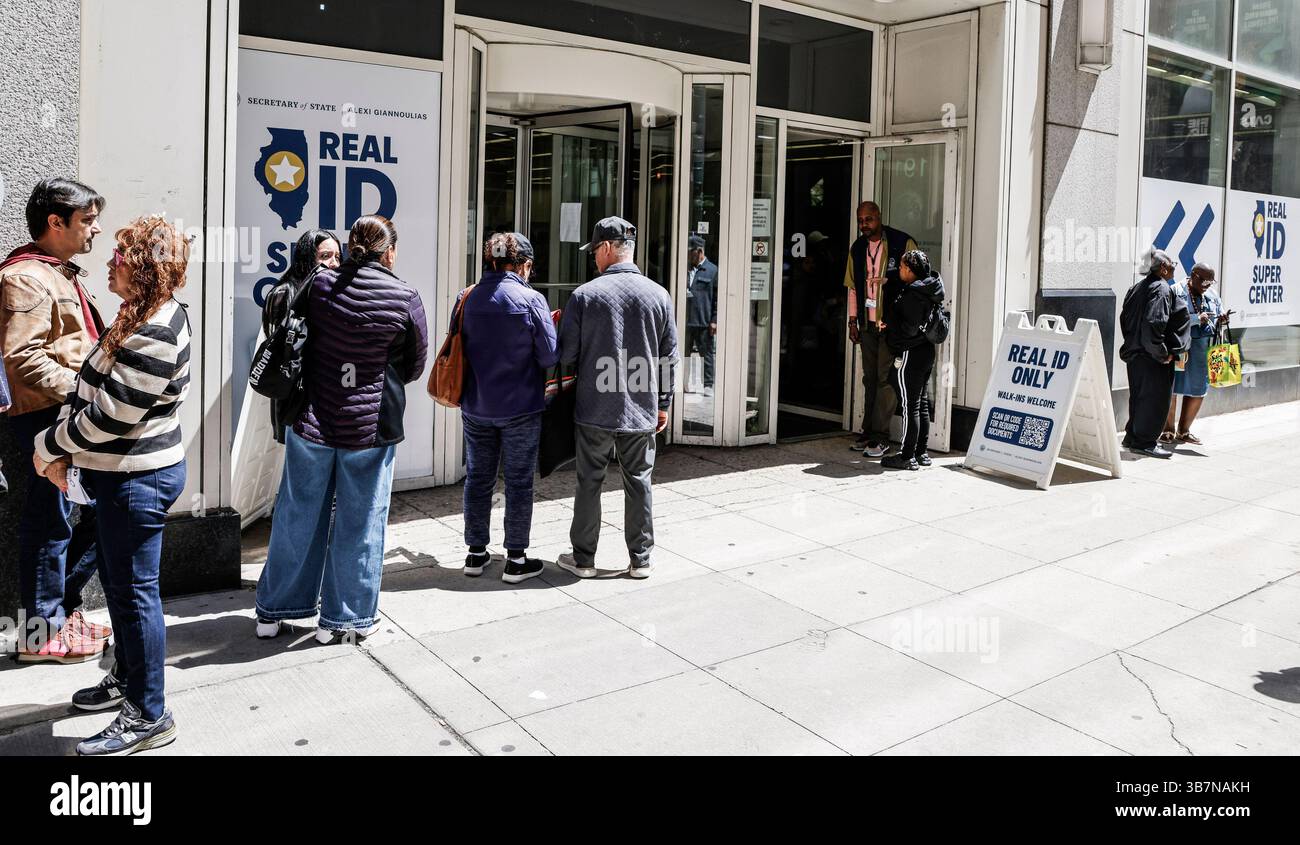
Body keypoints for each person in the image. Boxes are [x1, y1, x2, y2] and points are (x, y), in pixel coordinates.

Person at [34, 215, 192, 755]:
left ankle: (149, 714)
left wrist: (48, 447)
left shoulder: (156, 329)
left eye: (119, 256)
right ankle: (128, 683)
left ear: (142, 267)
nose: (108, 263)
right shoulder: (138, 314)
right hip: (118, 478)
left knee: (133, 599)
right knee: (127, 596)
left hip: (136, 482)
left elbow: (109, 417)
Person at [255, 215, 428, 643]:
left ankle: (274, 612)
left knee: (297, 516)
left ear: (351, 248)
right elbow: (414, 364)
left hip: (312, 419)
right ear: (390, 252)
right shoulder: (405, 296)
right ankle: (346, 619)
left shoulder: (319, 285)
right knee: (362, 522)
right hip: (369, 428)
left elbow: (294, 340)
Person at [0, 178, 109, 663]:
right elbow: (21, 358)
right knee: (50, 522)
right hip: (49, 417)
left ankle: (57, 614)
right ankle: (40, 635)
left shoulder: (60, 273)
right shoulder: (26, 276)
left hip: (70, 414)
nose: (96, 229)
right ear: (54, 222)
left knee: (94, 515)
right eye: (87, 220)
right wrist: (86, 391)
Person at [556, 217, 677, 580]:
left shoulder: (584, 296)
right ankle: (640, 559)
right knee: (639, 481)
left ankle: (584, 560)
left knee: (588, 482)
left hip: (594, 406)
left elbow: (567, 356)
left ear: (608, 248)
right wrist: (664, 403)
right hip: (641, 408)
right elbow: (669, 356)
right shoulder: (659, 295)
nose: (593, 258)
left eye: (595, 250)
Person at [458, 232, 559, 584]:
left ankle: (475, 552)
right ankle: (516, 558)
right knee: (518, 482)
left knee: (478, 479)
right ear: (525, 265)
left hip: (476, 404)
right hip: (521, 406)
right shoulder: (532, 300)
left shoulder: (466, 297)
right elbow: (548, 356)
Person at [845, 201, 916, 457]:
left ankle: (881, 437)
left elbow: (916, 281)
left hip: (891, 326)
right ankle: (868, 432)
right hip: (867, 323)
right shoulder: (858, 247)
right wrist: (853, 321)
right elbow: (853, 286)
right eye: (860, 220)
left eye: (869, 219)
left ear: (879, 217)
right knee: (870, 378)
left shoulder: (902, 242)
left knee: (886, 379)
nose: (864, 225)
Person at [260, 229, 342, 443]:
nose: (333, 263)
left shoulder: (329, 294)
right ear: (307, 257)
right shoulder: (284, 292)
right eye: (325, 256)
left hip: (323, 403)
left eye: (337, 256)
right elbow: (281, 354)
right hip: (295, 402)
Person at [880, 250, 945, 471]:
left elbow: (908, 329)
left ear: (910, 270)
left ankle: (907, 456)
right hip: (926, 352)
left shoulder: (913, 295)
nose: (899, 269)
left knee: (910, 406)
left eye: (901, 266)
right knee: (922, 404)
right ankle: (921, 452)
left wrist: (889, 325)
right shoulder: (929, 289)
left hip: (911, 353)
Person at [1120, 249, 1189, 459]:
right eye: (1172, 264)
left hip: (1135, 354)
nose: (1175, 268)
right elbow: (1154, 323)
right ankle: (1145, 442)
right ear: (1164, 267)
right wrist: (1162, 353)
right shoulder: (1160, 288)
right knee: (1154, 400)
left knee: (1139, 398)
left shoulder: (1137, 287)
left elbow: (1126, 319)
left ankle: (1132, 436)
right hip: (1151, 357)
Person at [1163, 262, 1230, 446]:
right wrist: (1195, 319)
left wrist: (1222, 318)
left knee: (1198, 389)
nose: (1206, 286)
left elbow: (1218, 312)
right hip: (1181, 346)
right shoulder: (1175, 290)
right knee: (1173, 388)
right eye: (1203, 281)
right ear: (1193, 275)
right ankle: (1167, 430)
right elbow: (1169, 320)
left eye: (1210, 282)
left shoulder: (1212, 293)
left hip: (1202, 348)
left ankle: (1184, 431)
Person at [683, 235, 718, 393]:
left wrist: (714, 320)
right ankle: (683, 383)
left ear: (699, 251)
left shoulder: (712, 270)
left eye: (691, 252)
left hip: (703, 321)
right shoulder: (686, 268)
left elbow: (717, 299)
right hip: (686, 319)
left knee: (707, 353)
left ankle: (708, 385)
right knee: (684, 353)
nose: (689, 255)